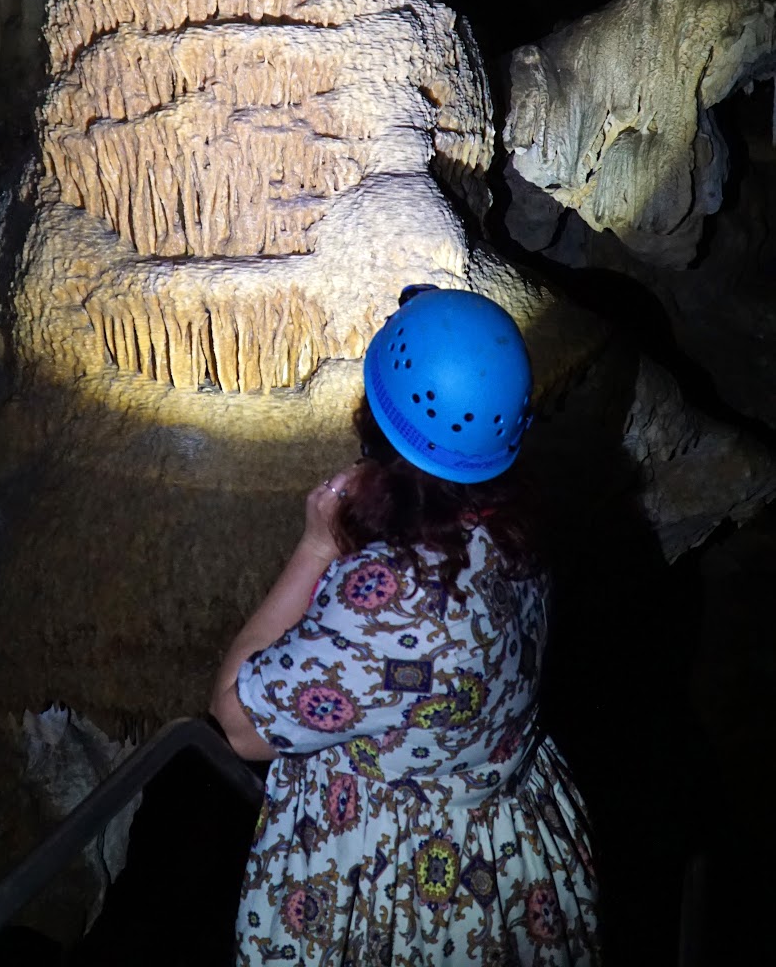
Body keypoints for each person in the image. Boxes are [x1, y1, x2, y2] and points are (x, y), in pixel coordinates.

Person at [210, 285, 600, 965]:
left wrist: (317, 546)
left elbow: (237, 721)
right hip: (509, 840)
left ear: (376, 421)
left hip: (395, 875)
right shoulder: (519, 530)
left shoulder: (388, 598)